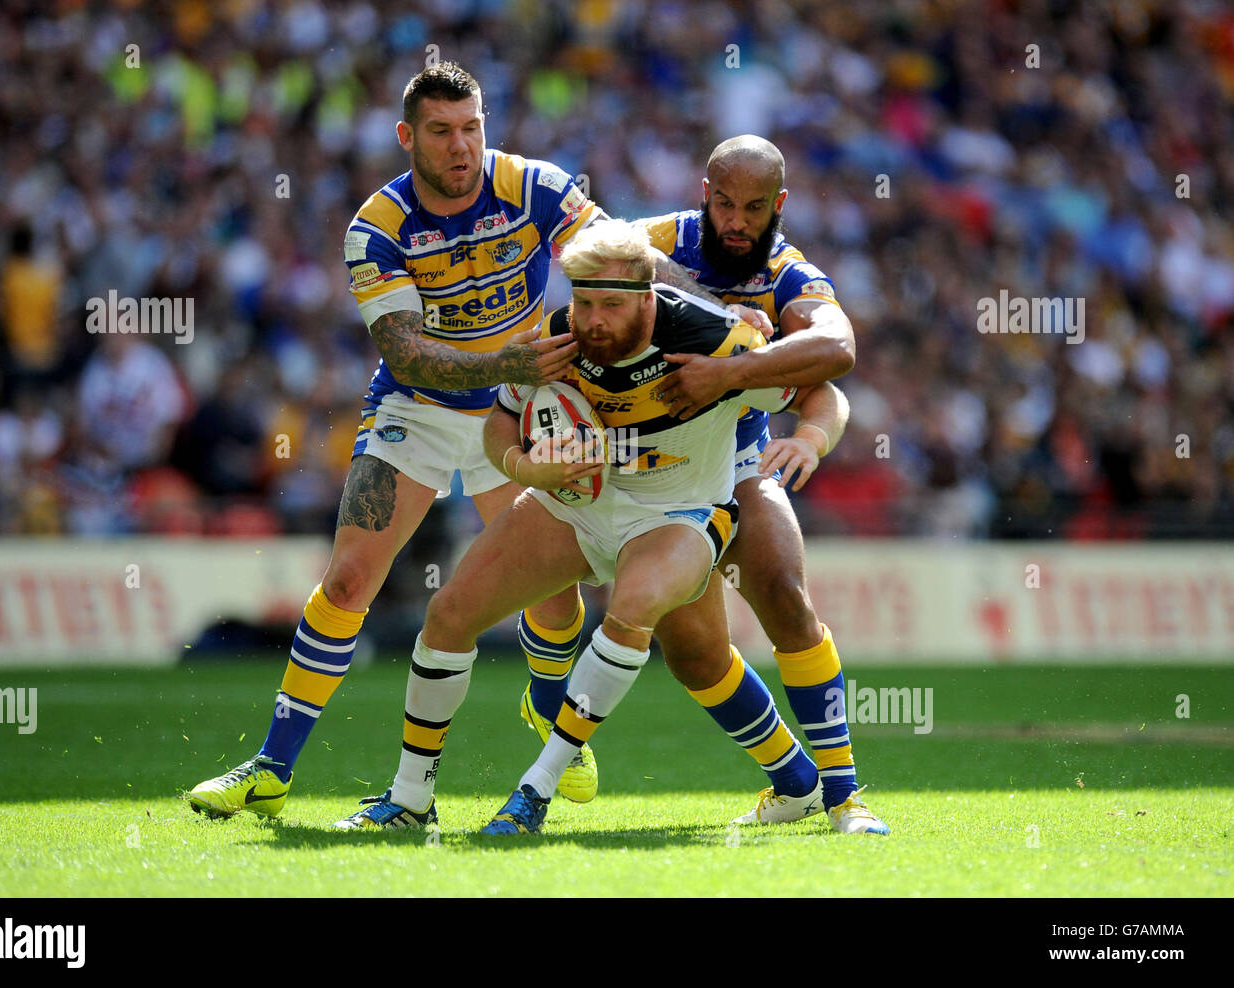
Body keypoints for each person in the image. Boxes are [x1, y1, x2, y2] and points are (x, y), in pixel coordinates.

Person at [334, 219, 851, 835]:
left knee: (643, 621)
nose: (593, 320)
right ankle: (410, 798)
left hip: (677, 514)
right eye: (583, 301)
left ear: (648, 295)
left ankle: (536, 790)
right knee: (447, 614)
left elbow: (823, 392)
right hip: (577, 505)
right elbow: (502, 422)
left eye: (610, 304)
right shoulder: (558, 335)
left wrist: (812, 442)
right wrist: (524, 466)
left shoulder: (718, 340)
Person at [185, 61, 602, 821]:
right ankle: (272, 768)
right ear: (408, 137)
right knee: (348, 579)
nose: (461, 147)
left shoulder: (536, 186)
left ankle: (550, 712)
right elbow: (405, 351)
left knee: (551, 592)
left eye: (472, 128)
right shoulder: (376, 227)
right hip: (419, 405)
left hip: (516, 407)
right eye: (441, 132)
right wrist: (504, 358)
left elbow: (613, 255)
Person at [637, 135, 887, 833]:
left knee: (783, 592)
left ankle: (845, 798)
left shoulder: (787, 274)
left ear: (778, 205)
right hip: (648, 471)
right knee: (693, 653)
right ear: (704, 192)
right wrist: (713, 317)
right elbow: (594, 251)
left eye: (753, 207)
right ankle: (794, 779)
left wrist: (802, 432)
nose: (737, 221)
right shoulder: (659, 238)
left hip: (736, 461)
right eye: (724, 203)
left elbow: (835, 357)